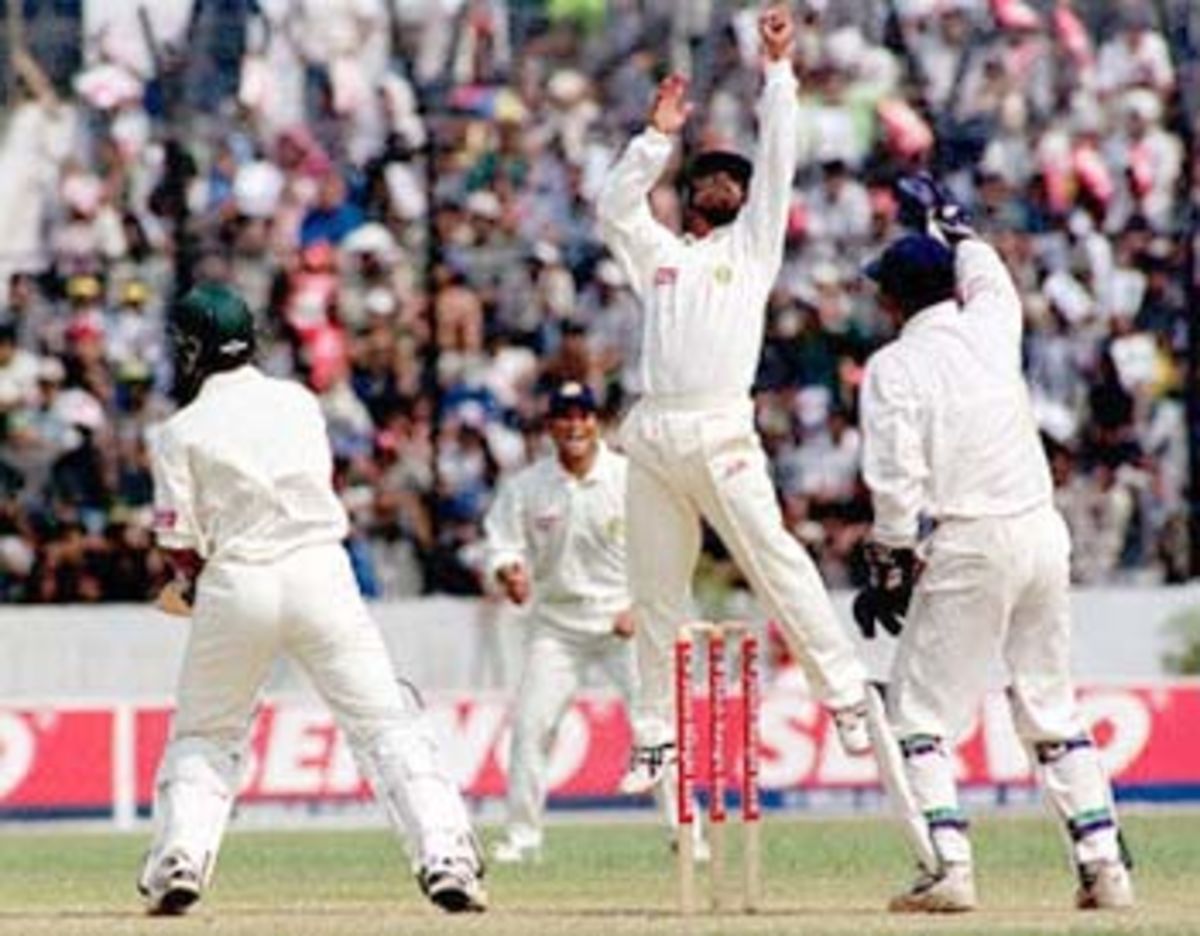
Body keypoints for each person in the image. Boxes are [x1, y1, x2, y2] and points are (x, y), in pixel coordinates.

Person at [140, 283, 486, 915]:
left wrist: (190, 582)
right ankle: (446, 856)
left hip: (236, 581)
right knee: (385, 724)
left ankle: (179, 860)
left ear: (189, 349)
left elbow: (178, 542)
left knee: (207, 732)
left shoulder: (177, 432)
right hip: (320, 572)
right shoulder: (299, 402)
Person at [595, 1, 871, 795]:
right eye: (707, 175)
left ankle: (844, 692)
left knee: (775, 561)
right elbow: (615, 209)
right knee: (652, 590)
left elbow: (778, 159)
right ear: (687, 195)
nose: (722, 181)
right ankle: (654, 735)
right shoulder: (662, 257)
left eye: (733, 179)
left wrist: (778, 70)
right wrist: (656, 138)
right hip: (651, 437)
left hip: (720, 429)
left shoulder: (752, 251)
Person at [855, 177, 1135, 913]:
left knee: (918, 715)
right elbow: (986, 269)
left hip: (970, 537)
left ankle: (949, 865)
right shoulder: (993, 322)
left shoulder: (894, 366)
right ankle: (1103, 862)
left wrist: (888, 560)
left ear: (893, 302)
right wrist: (952, 222)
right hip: (1041, 533)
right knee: (1048, 703)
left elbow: (895, 482)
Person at [483, 381, 689, 862]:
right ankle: (522, 839)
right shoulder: (528, 486)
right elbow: (501, 541)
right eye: (564, 416)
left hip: (625, 621)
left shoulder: (629, 479)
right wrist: (507, 570)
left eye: (583, 415)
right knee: (532, 726)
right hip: (557, 626)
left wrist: (641, 606)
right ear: (551, 426)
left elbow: (664, 549)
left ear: (597, 422)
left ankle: (686, 832)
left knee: (654, 725)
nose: (575, 424)